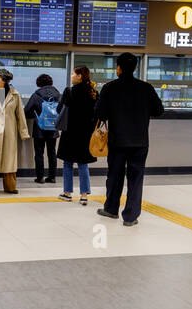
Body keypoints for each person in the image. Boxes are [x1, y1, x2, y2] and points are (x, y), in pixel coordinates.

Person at [94, 52, 163, 226]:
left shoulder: (110, 87)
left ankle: (111, 209)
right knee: (136, 178)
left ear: (118, 68)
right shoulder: (146, 88)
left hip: (117, 141)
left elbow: (100, 113)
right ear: (135, 68)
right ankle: (130, 217)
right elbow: (158, 110)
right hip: (140, 141)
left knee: (114, 176)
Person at [56, 65, 98, 206]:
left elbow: (59, 109)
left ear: (80, 76)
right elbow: (97, 114)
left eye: (74, 74)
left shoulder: (69, 91)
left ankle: (67, 193)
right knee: (82, 164)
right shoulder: (93, 93)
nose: (72, 76)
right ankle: (84, 195)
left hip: (70, 133)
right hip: (86, 134)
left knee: (68, 163)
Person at [24, 74, 62, 184]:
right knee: (52, 152)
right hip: (53, 127)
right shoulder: (58, 95)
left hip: (39, 128)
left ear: (39, 83)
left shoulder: (36, 95)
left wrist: (35, 115)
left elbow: (27, 111)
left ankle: (40, 177)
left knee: (39, 153)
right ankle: (52, 177)